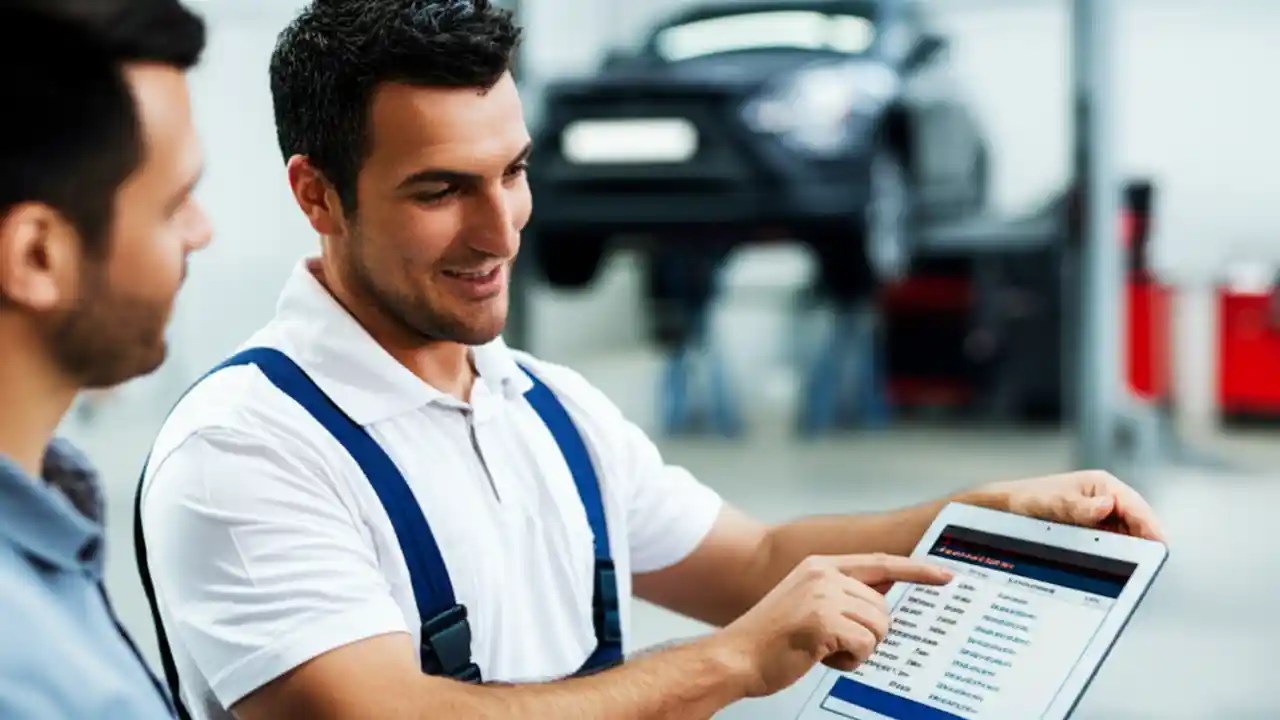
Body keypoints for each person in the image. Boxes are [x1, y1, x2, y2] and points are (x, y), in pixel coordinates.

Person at [136, 2, 1166, 718]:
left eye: (515, 172)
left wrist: (987, 514)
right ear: (316, 195)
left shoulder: (543, 406)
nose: (501, 231)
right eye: (440, 190)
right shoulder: (247, 452)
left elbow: (755, 565)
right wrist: (727, 664)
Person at [0, 3, 210, 718]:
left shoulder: (45, 525)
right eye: (175, 204)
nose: (201, 232)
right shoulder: (19, 668)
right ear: (38, 255)